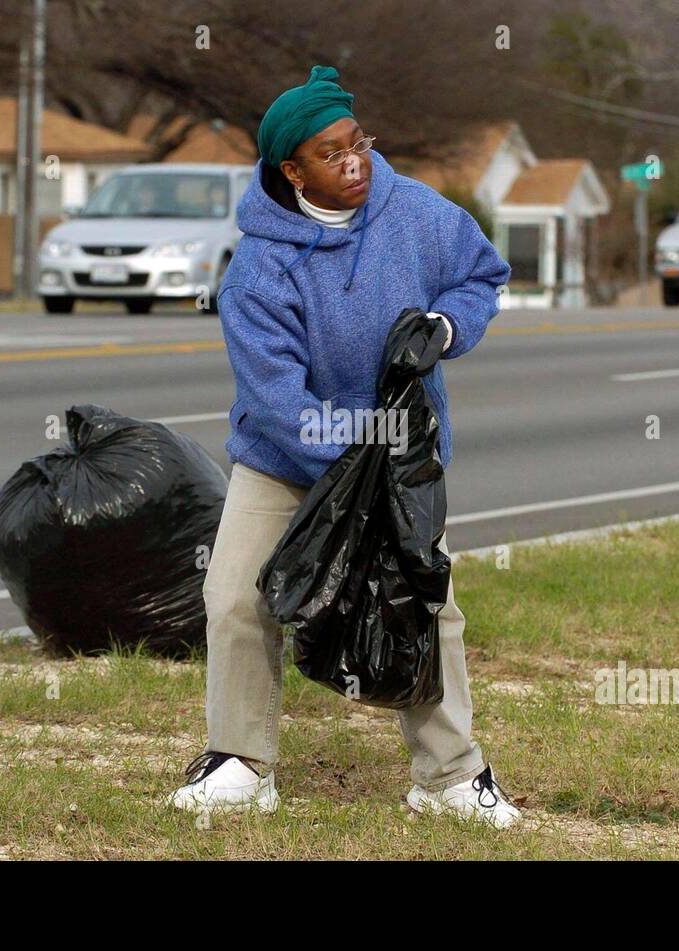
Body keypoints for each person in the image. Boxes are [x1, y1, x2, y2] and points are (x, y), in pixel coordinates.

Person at [167, 64, 519, 829]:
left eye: (358, 142)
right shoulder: (258, 268)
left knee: (427, 606)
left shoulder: (417, 214)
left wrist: (447, 327)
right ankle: (242, 761)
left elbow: (482, 274)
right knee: (233, 596)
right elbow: (274, 397)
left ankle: (450, 777)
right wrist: (353, 464)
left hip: (399, 464)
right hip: (285, 462)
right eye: (331, 153)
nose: (354, 161)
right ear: (292, 170)